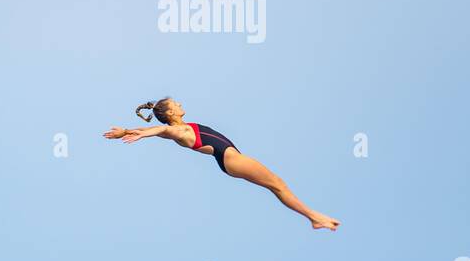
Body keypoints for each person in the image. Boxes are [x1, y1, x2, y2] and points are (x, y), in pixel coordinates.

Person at [103, 97, 340, 231]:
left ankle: (313, 217)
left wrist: (127, 130)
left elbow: (155, 129)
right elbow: (160, 129)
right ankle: (313, 218)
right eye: (176, 103)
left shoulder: (178, 129)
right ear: (170, 112)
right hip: (231, 159)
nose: (180, 103)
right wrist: (143, 135)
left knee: (276, 185)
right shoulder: (178, 130)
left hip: (230, 159)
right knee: (277, 183)